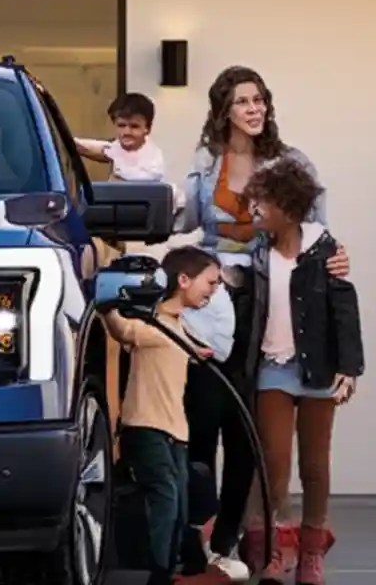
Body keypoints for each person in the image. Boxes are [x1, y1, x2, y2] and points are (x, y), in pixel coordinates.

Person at [175, 65, 351, 580]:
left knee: (249, 430)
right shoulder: (206, 161)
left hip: (268, 300)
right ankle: (200, 544)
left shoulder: (290, 163)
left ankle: (248, 538)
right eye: (242, 101)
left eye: (259, 100)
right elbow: (184, 221)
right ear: (223, 110)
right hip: (211, 304)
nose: (254, 109)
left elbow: (316, 237)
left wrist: (336, 258)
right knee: (204, 420)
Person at [238, 157, 364, 585]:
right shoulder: (256, 254)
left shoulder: (325, 252)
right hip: (272, 368)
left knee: (315, 465)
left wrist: (350, 368)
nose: (253, 211)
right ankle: (273, 547)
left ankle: (311, 550)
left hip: (318, 370)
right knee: (273, 463)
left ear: (288, 209)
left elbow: (345, 310)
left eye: (261, 203)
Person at [101, 246, 222, 584]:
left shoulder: (178, 328)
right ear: (183, 280)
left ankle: (174, 566)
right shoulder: (154, 324)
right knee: (166, 495)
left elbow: (183, 349)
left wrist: (196, 351)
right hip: (147, 427)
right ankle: (159, 573)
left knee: (179, 502)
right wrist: (107, 304)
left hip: (175, 431)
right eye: (210, 282)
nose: (214, 289)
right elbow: (124, 331)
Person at [76, 92, 183, 264]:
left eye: (134, 126)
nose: (127, 132)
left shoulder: (152, 158)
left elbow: (134, 178)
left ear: (147, 128)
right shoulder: (118, 148)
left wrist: (115, 173)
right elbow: (98, 148)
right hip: (113, 230)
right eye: (121, 125)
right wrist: (68, 141)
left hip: (141, 237)